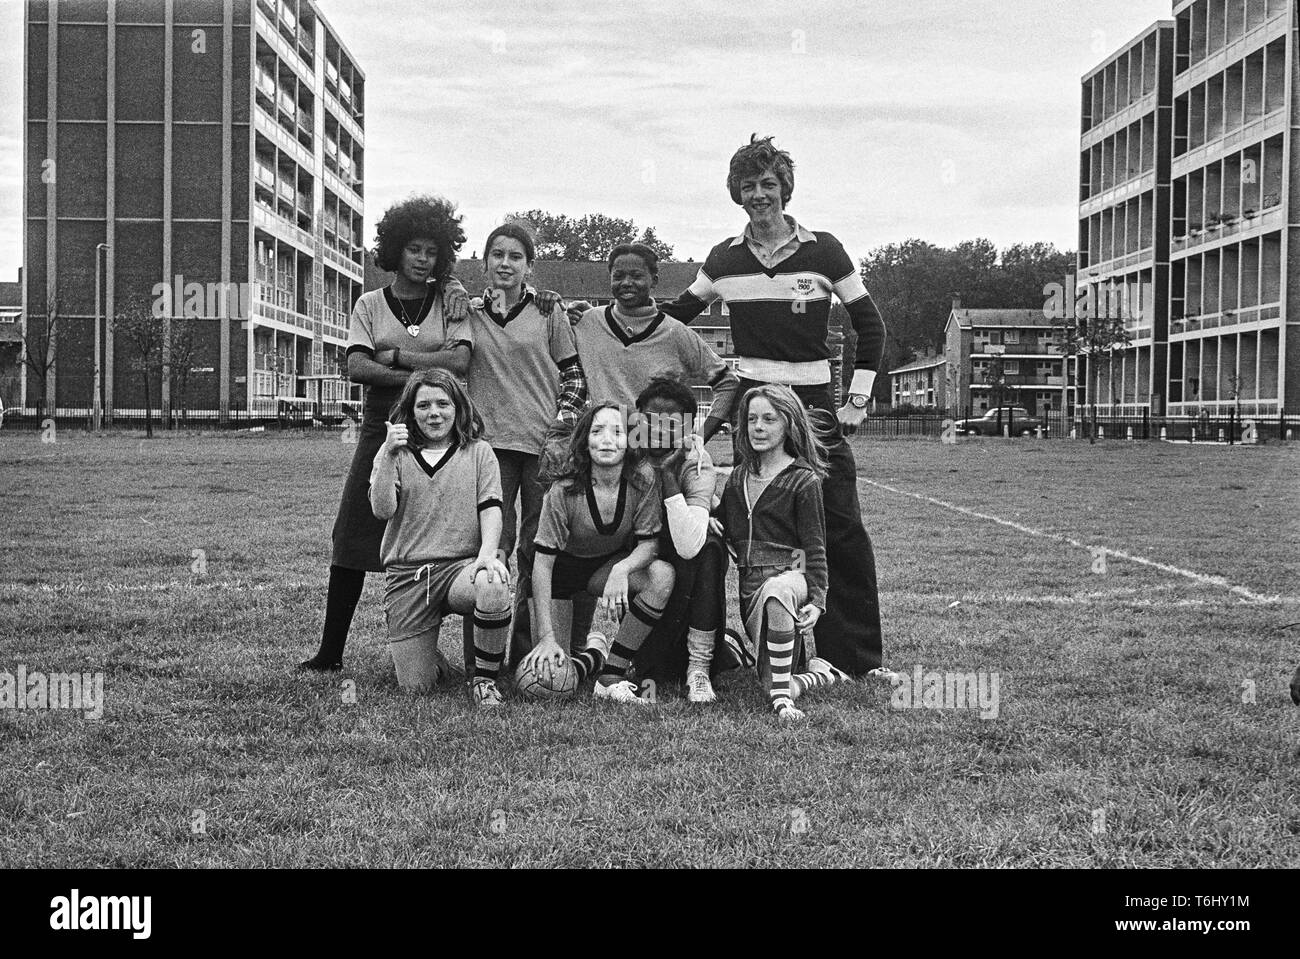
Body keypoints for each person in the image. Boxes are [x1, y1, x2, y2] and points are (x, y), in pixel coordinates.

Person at [659, 134, 892, 679]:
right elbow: (674, 318)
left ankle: (855, 660)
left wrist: (857, 396)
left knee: (840, 526)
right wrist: (601, 321)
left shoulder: (825, 250)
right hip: (754, 411)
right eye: (748, 186)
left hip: (813, 410)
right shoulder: (724, 259)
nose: (759, 194)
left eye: (769, 184)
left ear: (784, 189)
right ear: (736, 194)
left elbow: (869, 323)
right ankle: (737, 651)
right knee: (750, 531)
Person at [300, 194, 474, 672]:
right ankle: (330, 652)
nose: (423, 259)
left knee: (439, 533)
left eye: (432, 251)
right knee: (353, 535)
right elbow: (356, 365)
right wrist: (421, 379)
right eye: (414, 249)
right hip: (383, 427)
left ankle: (459, 653)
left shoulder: (451, 300)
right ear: (395, 249)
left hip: (441, 429)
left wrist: (396, 361)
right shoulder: (370, 304)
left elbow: (460, 363)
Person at [463, 222, 587, 669]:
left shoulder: (549, 312)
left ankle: (535, 649)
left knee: (540, 547)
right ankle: (486, 653)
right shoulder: (468, 312)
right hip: (489, 446)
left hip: (542, 446)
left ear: (529, 266)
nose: (505, 263)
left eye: (516, 256)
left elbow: (574, 375)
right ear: (485, 262)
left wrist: (562, 428)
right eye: (497, 254)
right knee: (493, 542)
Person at [368, 369, 511, 706]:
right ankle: (431, 661)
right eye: (424, 406)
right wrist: (388, 456)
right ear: (410, 411)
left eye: (443, 404)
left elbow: (491, 508)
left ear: (458, 407)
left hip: (460, 568)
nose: (434, 413)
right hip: (409, 574)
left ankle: (484, 681)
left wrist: (487, 555)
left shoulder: (479, 452)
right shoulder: (394, 453)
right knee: (416, 687)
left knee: (492, 583)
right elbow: (382, 510)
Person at [523, 402, 675, 706]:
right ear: (584, 440)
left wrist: (622, 569)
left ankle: (611, 675)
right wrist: (546, 637)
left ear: (631, 439)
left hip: (602, 569)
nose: (607, 439)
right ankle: (593, 656)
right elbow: (542, 565)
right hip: (559, 577)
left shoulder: (641, 480)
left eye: (617, 431)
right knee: (550, 682)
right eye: (597, 431)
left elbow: (649, 545)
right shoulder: (562, 490)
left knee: (661, 574)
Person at [715, 384, 852, 722]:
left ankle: (783, 703)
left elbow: (815, 549)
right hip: (750, 590)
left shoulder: (803, 480)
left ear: (788, 424)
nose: (758, 427)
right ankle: (819, 674)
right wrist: (705, 519)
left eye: (769, 419)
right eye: (752, 420)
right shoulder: (737, 479)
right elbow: (725, 524)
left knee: (778, 590)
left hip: (791, 579)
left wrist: (817, 600)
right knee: (772, 680)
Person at [625, 376, 735, 702]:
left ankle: (698, 668)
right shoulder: (620, 454)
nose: (658, 430)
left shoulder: (696, 464)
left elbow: (689, 544)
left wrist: (668, 475)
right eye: (650, 420)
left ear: (688, 427)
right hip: (635, 561)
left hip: (680, 563)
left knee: (709, 549)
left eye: (669, 422)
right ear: (637, 419)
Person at [572, 243, 738, 444]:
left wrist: (699, 439)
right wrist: (551, 303)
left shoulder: (675, 333)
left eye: (636, 276)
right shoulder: (586, 322)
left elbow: (728, 383)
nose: (626, 282)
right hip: (608, 446)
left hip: (660, 452)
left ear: (654, 281)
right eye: (618, 276)